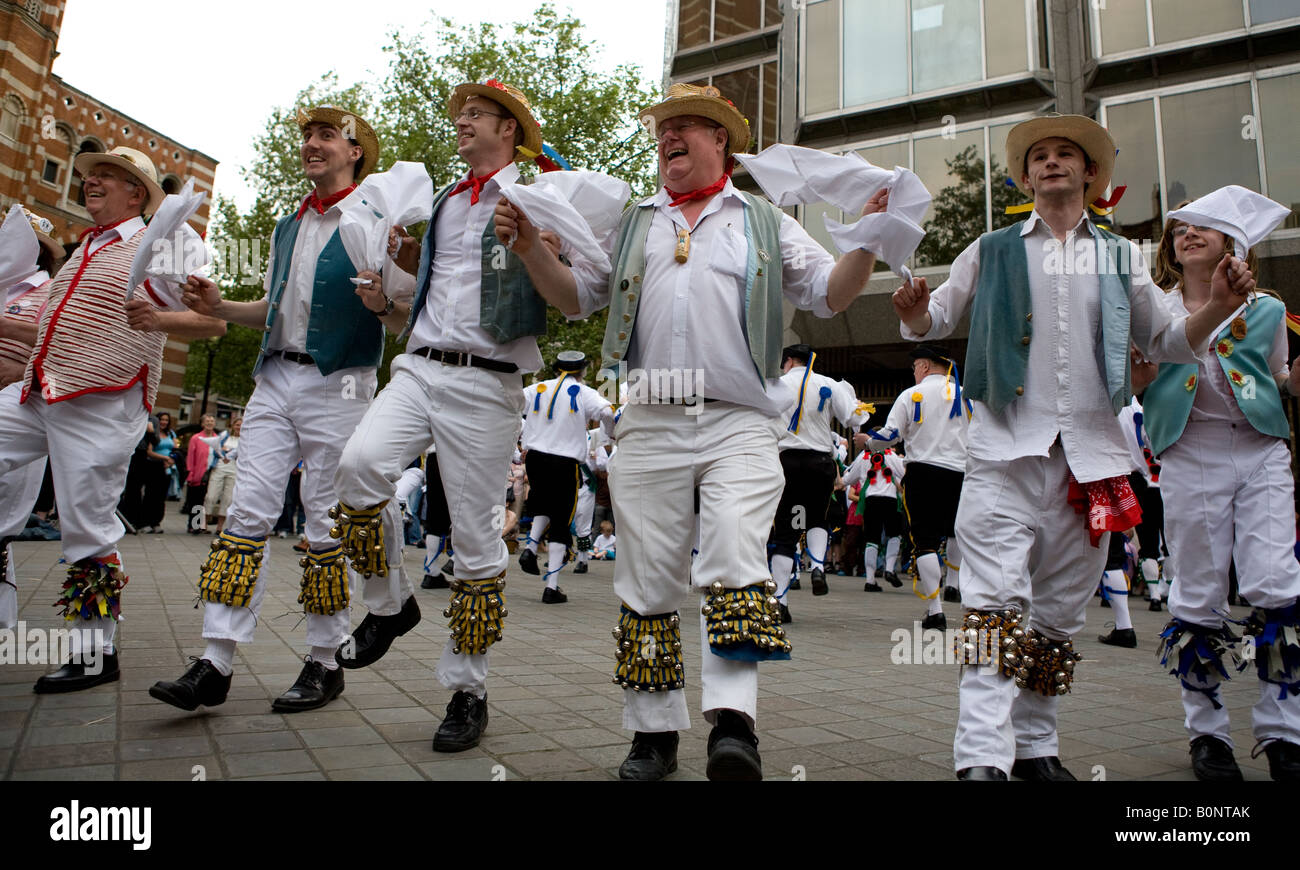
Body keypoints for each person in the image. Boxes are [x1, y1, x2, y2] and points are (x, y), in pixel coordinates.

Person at [529, 83, 887, 780]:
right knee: (648, 577)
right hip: (652, 419)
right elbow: (576, 297)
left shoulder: (762, 219)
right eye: (663, 128)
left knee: (732, 554)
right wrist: (531, 252)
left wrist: (869, 237)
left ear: (721, 140)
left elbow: (831, 293)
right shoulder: (634, 222)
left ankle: (733, 725)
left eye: (686, 127)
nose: (669, 137)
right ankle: (653, 734)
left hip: (740, 422)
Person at [892, 115, 1256, 781]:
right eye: (1040, 156)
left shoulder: (1120, 256)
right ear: (1024, 176)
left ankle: (1034, 750)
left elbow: (1172, 340)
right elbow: (936, 317)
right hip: (1003, 458)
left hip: (1090, 462)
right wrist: (914, 309)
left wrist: (1220, 307)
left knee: (1058, 616)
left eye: (1067, 154)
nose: (1053, 162)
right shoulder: (993, 247)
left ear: (1090, 173)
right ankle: (980, 761)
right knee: (994, 609)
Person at [329, 79, 600, 752]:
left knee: (478, 540)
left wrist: (536, 242)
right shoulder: (445, 199)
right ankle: (391, 606)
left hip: (488, 381)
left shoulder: (540, 198)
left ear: (509, 129)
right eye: (460, 115)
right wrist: (405, 260)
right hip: (420, 365)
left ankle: (467, 690)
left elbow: (574, 301)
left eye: (474, 115)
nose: (461, 124)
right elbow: (440, 282)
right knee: (357, 467)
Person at [151, 106, 407, 714]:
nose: (311, 144)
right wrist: (221, 304)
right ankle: (215, 660)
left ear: (355, 153)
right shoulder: (286, 226)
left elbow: (400, 319)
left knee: (323, 523)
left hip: (338, 382)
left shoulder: (378, 223)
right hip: (274, 377)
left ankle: (325, 661)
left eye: (325, 136)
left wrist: (378, 303)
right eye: (307, 136)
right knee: (245, 512)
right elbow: (273, 308)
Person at [0, 147, 225, 692]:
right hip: (41, 390)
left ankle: (94, 653)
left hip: (103, 402)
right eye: (91, 175)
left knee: (86, 527)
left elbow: (211, 324)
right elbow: (56, 331)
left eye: (109, 176)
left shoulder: (158, 248)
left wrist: (159, 316)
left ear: (137, 195)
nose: (93, 180)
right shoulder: (81, 252)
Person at [1140, 186, 1300, 782]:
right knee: (1199, 594)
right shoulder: (1152, 308)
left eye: (1204, 226)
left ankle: (1284, 732)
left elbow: (1281, 378)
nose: (1189, 233)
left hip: (1260, 449)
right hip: (1190, 453)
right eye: (1180, 228)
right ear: (1172, 249)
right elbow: (1134, 377)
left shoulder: (1265, 308)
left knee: (1277, 584)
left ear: (1232, 241)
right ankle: (1207, 736)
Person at [864, 344, 970, 630]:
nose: (914, 373)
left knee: (925, 541)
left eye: (914, 368)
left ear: (924, 366)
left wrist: (869, 442)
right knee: (955, 531)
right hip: (961, 474)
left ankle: (935, 610)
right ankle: (955, 585)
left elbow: (891, 435)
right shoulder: (966, 394)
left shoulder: (912, 395)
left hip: (923, 472)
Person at [768, 343, 871, 620]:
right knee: (816, 519)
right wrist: (855, 401)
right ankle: (816, 566)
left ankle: (780, 600)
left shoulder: (776, 383)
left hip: (786, 461)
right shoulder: (828, 383)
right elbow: (856, 417)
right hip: (820, 463)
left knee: (785, 534)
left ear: (789, 361)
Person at [0, 206, 62, 629]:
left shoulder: (51, 292)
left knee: (2, 527)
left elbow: (64, 349)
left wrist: (22, 371)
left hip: (21, 409)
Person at [516, 350, 613, 602]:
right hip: (565, 463)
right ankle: (554, 583)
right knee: (563, 521)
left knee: (549, 509)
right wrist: (611, 434)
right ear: (581, 371)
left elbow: (511, 404)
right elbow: (607, 413)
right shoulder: (584, 394)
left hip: (537, 458)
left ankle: (534, 547)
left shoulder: (537, 388)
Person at [843, 445, 905, 593]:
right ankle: (889, 569)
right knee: (894, 534)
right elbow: (904, 473)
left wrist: (839, 481)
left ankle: (870, 581)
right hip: (889, 500)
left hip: (870, 500)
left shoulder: (863, 457)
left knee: (872, 539)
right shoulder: (891, 456)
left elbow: (850, 478)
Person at [203, 416, 241, 535]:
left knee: (228, 499)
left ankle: (220, 527)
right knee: (211, 496)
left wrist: (231, 453)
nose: (239, 427)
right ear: (232, 425)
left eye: (241, 425)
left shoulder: (246, 439)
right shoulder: (224, 436)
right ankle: (203, 523)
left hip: (235, 470)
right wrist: (224, 451)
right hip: (219, 467)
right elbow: (215, 449)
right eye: (237, 424)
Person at [183, 415, 220, 533]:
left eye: (212, 421)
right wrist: (191, 472)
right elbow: (190, 457)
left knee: (207, 500)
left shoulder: (218, 438)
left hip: (213, 473)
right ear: (202, 424)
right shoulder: (196, 438)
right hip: (199, 473)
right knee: (196, 500)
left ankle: (202, 525)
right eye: (207, 421)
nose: (209, 423)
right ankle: (194, 525)